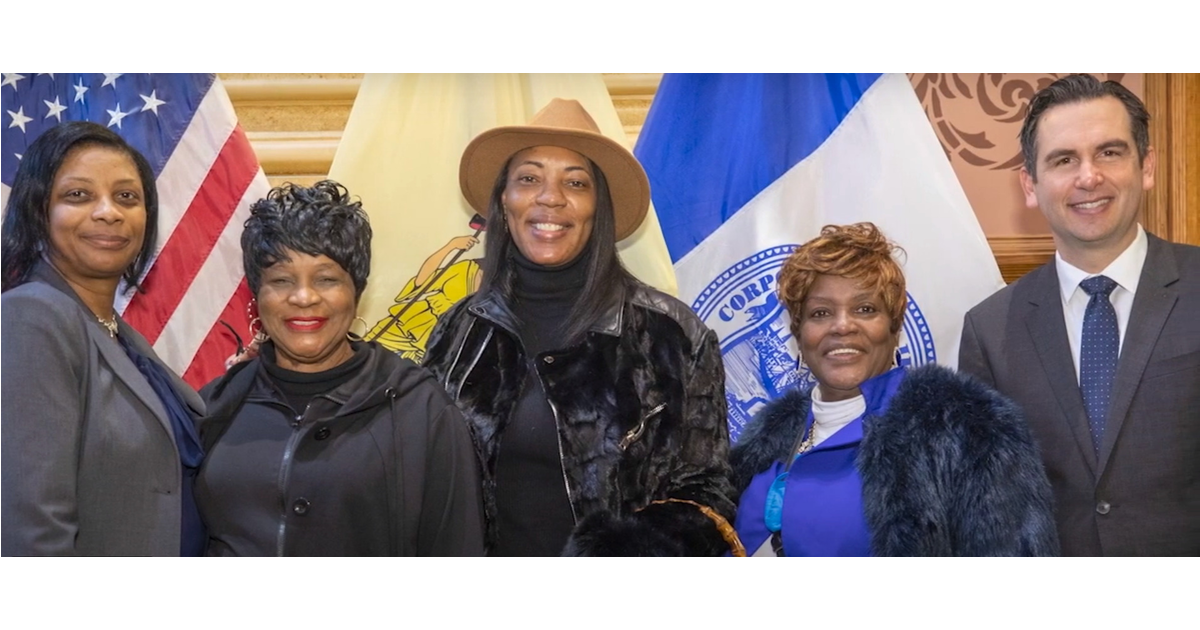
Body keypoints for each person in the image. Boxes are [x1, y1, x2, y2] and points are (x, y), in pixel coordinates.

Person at [423, 98, 739, 556]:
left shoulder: (671, 335)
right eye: (528, 178)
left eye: (576, 182)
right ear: (503, 202)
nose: (550, 197)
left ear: (599, 208)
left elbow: (708, 493)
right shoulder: (456, 332)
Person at [959, 74, 1200, 556]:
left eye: (1109, 152)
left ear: (1146, 166)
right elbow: (987, 509)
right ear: (1030, 185)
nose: (1088, 177)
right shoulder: (989, 328)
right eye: (1064, 160)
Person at [731, 223, 1059, 556]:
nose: (842, 325)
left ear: (894, 325)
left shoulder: (968, 430)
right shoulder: (766, 435)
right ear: (799, 333)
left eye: (865, 309)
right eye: (821, 313)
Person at [194, 180, 484, 556]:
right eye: (281, 280)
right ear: (257, 294)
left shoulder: (423, 410)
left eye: (326, 279)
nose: (303, 297)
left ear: (357, 291)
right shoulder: (214, 406)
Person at [1, 121, 206, 556]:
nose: (109, 211)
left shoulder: (120, 336)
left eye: (127, 196)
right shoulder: (31, 318)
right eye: (79, 195)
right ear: (40, 211)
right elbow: (31, 527)